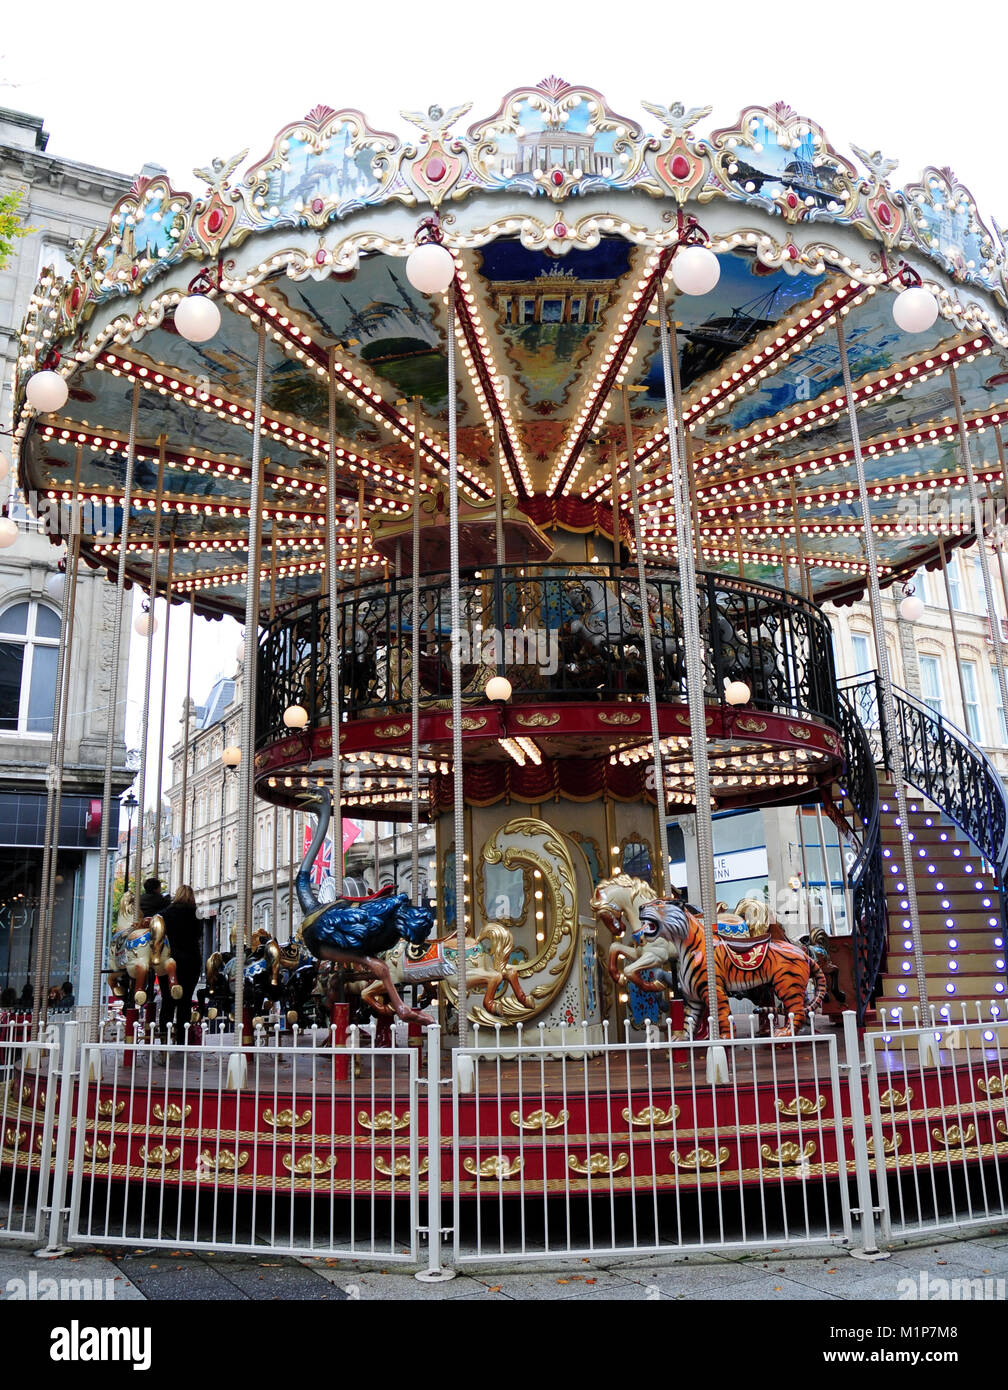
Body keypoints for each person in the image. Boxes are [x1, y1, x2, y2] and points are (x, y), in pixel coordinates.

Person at [160, 885, 213, 1043]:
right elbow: (198, 935)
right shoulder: (196, 914)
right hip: (191, 960)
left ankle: (165, 1036)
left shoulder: (167, 913)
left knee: (168, 1000)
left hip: (170, 959)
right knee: (185, 1001)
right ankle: (182, 1040)